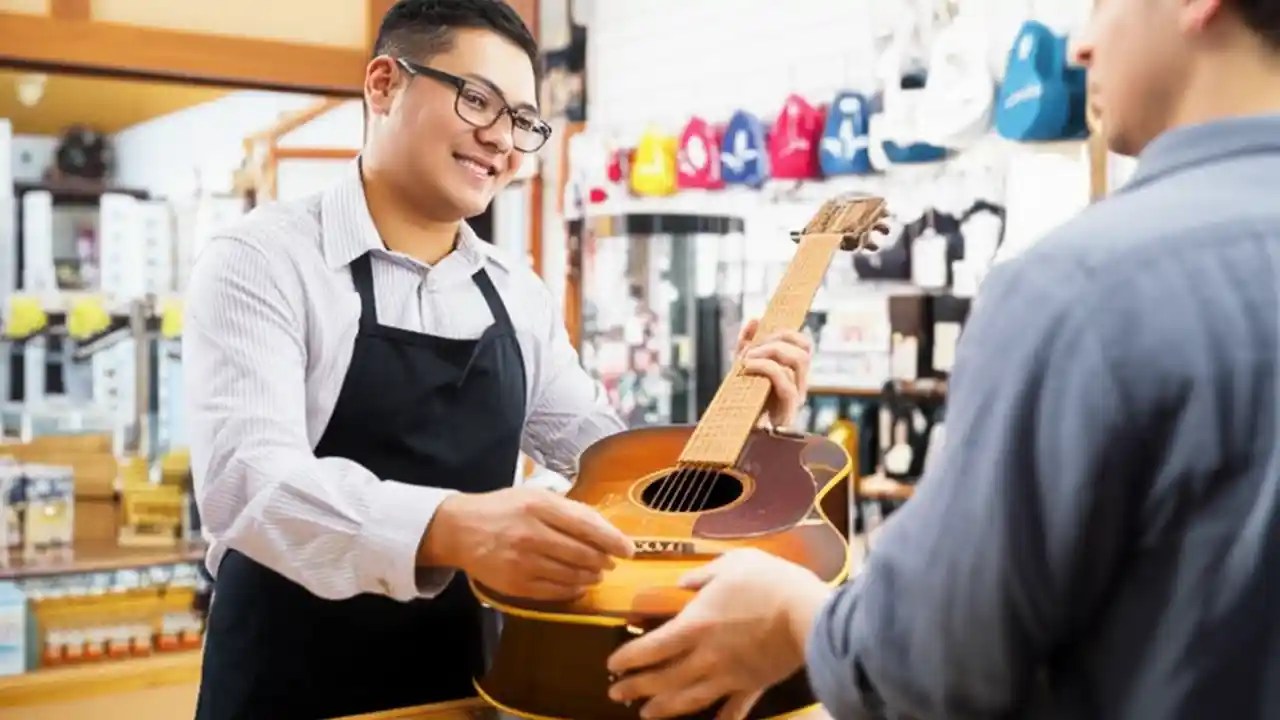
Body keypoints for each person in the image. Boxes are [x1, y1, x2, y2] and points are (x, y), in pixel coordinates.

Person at [605, 0, 1280, 718]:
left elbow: (939, 665)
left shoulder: (1076, 289)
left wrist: (795, 617)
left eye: (1099, 4)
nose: (1081, 46)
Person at [183, 1, 814, 718]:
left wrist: (742, 437)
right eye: (477, 100)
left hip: (468, 681)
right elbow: (249, 483)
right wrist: (457, 527)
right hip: (286, 681)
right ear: (384, 84)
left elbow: (611, 466)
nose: (502, 142)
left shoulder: (517, 292)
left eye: (523, 121)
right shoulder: (261, 261)